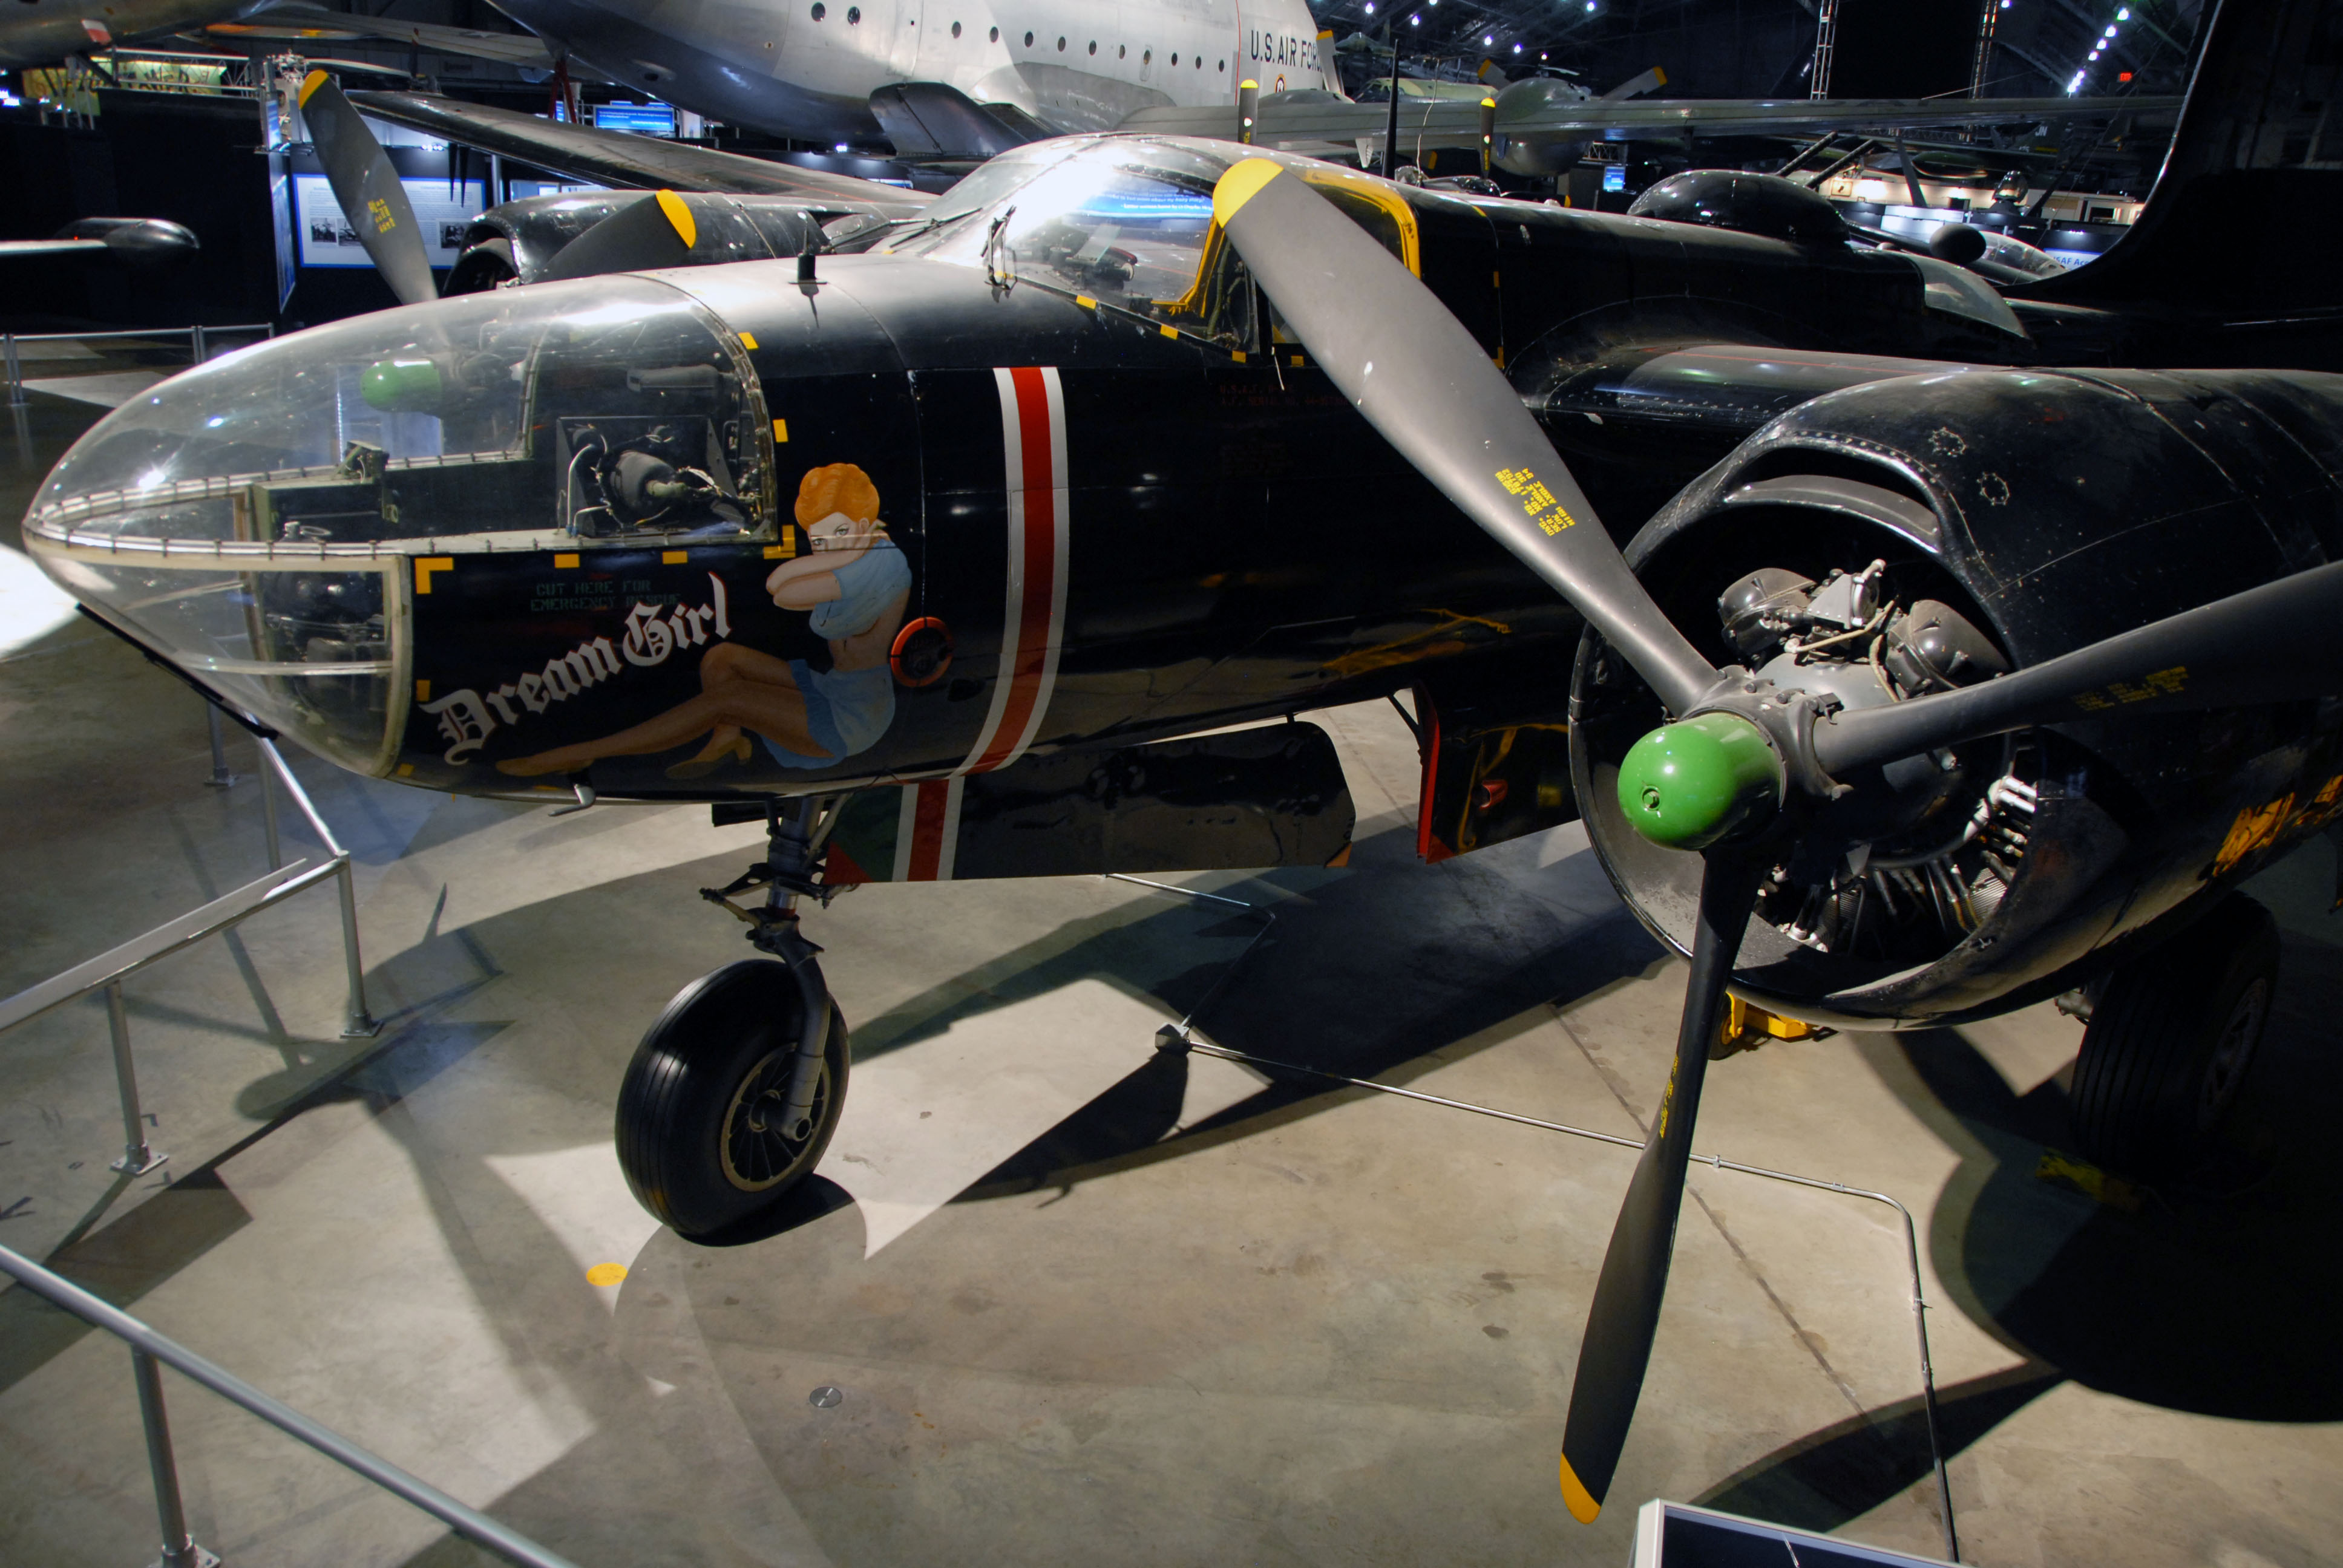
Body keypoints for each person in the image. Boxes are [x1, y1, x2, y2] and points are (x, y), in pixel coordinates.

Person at [496, 463, 911, 779]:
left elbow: (784, 588)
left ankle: (585, 751)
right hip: (835, 690)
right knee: (722, 659)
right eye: (818, 540)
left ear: (861, 524)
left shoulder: (878, 566)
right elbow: (781, 587)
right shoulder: (864, 551)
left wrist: (843, 552)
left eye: (837, 534)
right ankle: (727, 740)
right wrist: (849, 545)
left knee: (726, 699)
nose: (825, 549)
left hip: (853, 719)